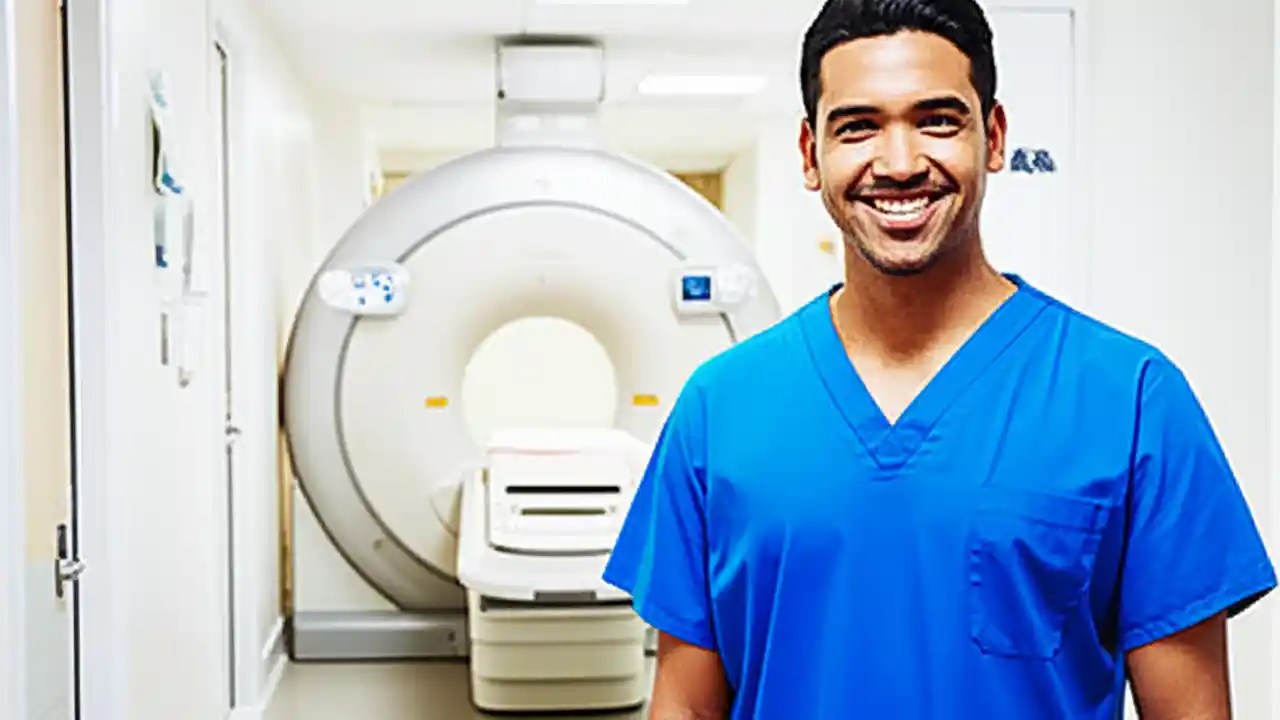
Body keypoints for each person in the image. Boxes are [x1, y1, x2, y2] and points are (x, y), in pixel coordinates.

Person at [601, 0, 1277, 717]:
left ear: (994, 136)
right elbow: (686, 706)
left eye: (937, 121)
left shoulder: (1131, 400)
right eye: (858, 126)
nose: (899, 163)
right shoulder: (720, 408)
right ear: (810, 153)